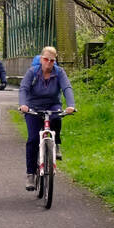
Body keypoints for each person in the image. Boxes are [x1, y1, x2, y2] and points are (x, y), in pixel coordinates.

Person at [18, 46, 75, 190]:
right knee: (33, 139)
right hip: (33, 107)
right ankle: (31, 175)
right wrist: (23, 105)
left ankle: (56, 144)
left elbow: (67, 88)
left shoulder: (59, 72)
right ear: (41, 59)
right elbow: (24, 88)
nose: (48, 63)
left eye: (52, 60)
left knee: (57, 117)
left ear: (55, 61)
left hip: (52, 104)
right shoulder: (32, 72)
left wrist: (71, 105)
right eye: (46, 59)